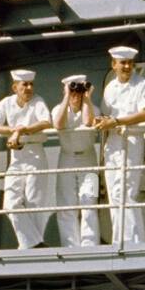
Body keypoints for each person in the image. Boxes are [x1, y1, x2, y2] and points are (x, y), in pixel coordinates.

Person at [97, 46, 145, 244]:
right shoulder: (110, 88)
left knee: (127, 191)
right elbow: (107, 114)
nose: (127, 66)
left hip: (132, 140)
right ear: (114, 65)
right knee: (114, 193)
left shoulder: (143, 84)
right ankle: (120, 238)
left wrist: (117, 121)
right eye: (123, 63)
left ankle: (132, 240)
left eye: (130, 63)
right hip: (113, 141)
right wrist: (104, 121)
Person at [0, 69, 52, 249]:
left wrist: (22, 130)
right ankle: (35, 244)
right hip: (16, 157)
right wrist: (12, 130)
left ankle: (29, 246)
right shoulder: (6, 103)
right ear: (15, 87)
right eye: (25, 85)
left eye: (31, 84)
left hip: (35, 153)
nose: (29, 88)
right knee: (10, 203)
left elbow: (46, 122)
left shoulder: (38, 101)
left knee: (34, 201)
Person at [51, 73, 102, 247]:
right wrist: (67, 96)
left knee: (89, 203)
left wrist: (87, 99)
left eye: (79, 90)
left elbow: (88, 122)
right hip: (67, 158)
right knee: (66, 205)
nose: (76, 94)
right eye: (73, 90)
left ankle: (90, 245)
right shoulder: (59, 109)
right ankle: (70, 246)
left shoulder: (93, 108)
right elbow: (58, 124)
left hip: (88, 158)